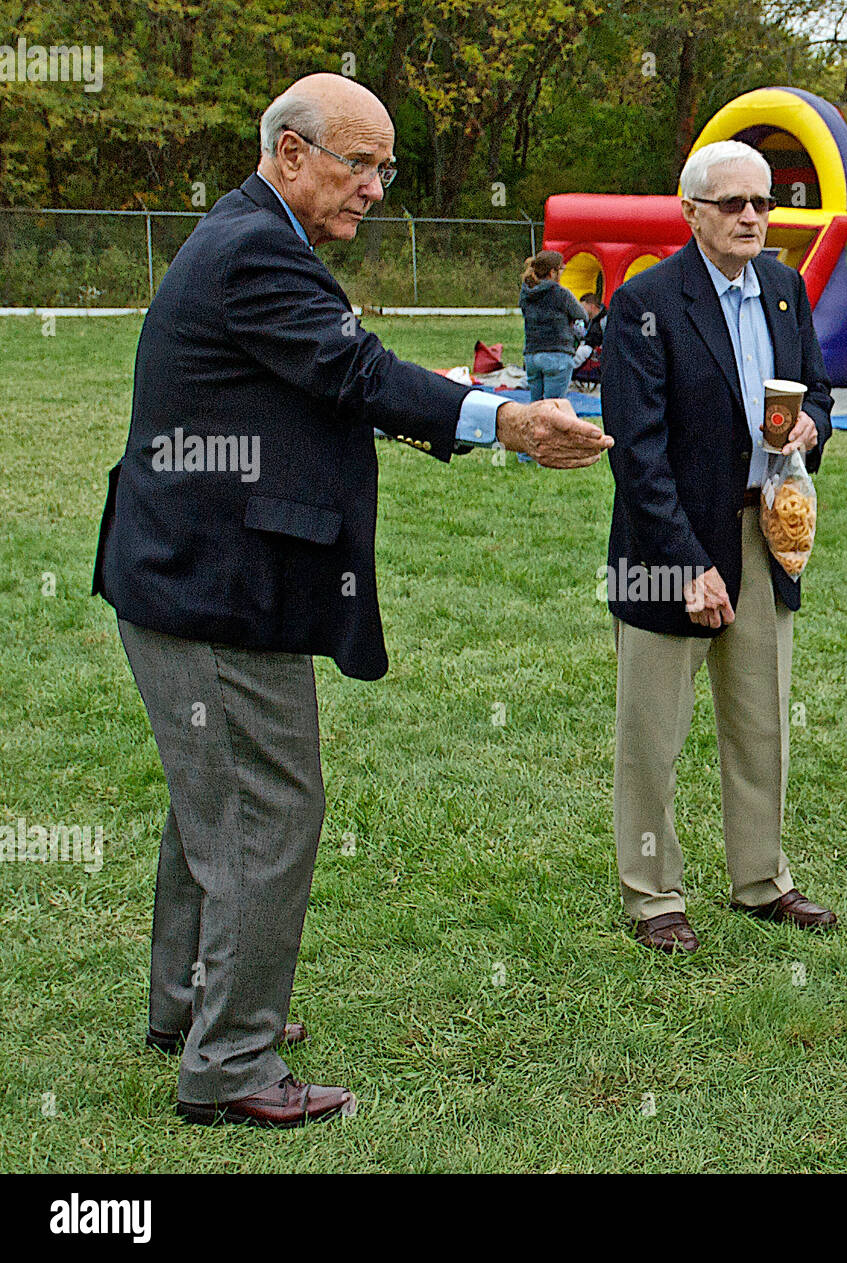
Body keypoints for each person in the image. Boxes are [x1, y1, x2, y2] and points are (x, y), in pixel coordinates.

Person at [91, 73, 611, 1128]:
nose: (375, 187)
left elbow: (331, 372)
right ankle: (232, 1065)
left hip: (188, 573)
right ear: (289, 155)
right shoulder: (256, 249)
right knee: (266, 812)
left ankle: (192, 1005)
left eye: (385, 168)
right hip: (215, 587)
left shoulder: (253, 238)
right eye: (357, 163)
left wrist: (432, 392)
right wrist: (501, 422)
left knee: (215, 809)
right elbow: (350, 371)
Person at [601, 140, 837, 954]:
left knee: (762, 720)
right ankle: (651, 893)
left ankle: (761, 879)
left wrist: (814, 424)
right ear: (692, 209)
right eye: (733, 203)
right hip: (671, 540)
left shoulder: (784, 289)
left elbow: (820, 390)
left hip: (762, 532)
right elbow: (637, 450)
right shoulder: (643, 302)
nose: (750, 217)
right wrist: (686, 563)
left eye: (763, 204)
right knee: (652, 734)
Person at [517, 250, 587, 460]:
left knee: (535, 407)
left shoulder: (526, 293)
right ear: (553, 272)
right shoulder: (561, 293)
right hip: (557, 354)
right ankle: (550, 455)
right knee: (554, 408)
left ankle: (526, 453)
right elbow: (581, 315)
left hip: (532, 355)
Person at [572, 291, 607, 384]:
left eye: (583, 307)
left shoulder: (605, 320)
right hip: (586, 349)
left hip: (596, 353)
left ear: (591, 306)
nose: (581, 310)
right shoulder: (589, 320)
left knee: (583, 350)